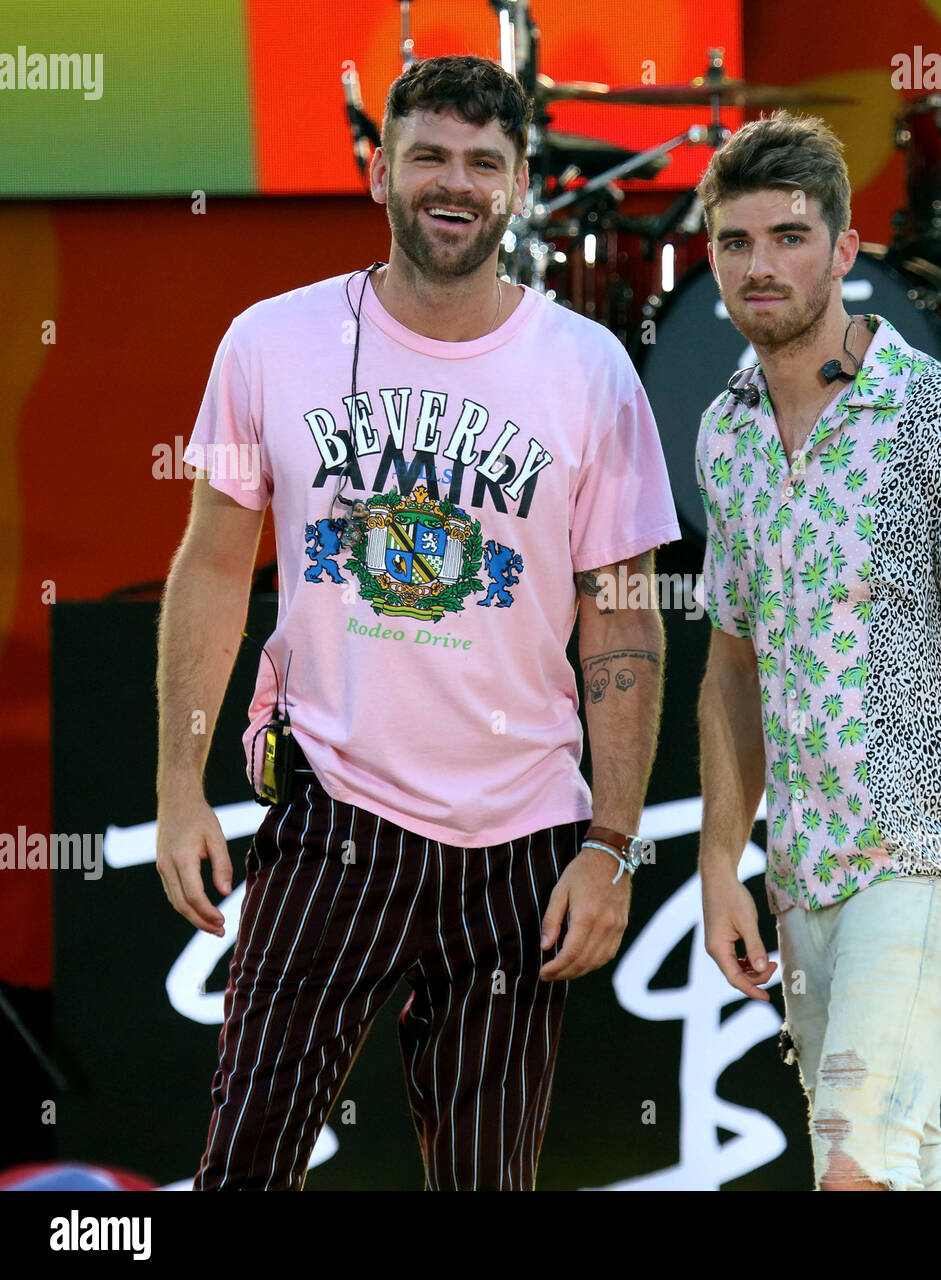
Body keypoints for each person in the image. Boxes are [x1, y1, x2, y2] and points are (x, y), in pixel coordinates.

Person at [154, 54, 679, 1191]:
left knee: (487, 1180)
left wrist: (612, 843)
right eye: (429, 156)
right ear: (379, 168)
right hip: (333, 815)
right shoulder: (268, 342)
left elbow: (624, 618)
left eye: (483, 163)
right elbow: (208, 565)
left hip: (524, 842)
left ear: (522, 185)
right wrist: (178, 782)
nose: (455, 183)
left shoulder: (590, 371)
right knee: (245, 1161)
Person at [694, 111, 941, 1191]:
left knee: (853, 1161)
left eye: (789, 236)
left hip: (924, 854)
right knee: (902, 1158)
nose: (761, 265)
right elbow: (730, 663)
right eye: (734, 241)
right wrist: (721, 859)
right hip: (802, 870)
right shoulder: (725, 431)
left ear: (845, 252)